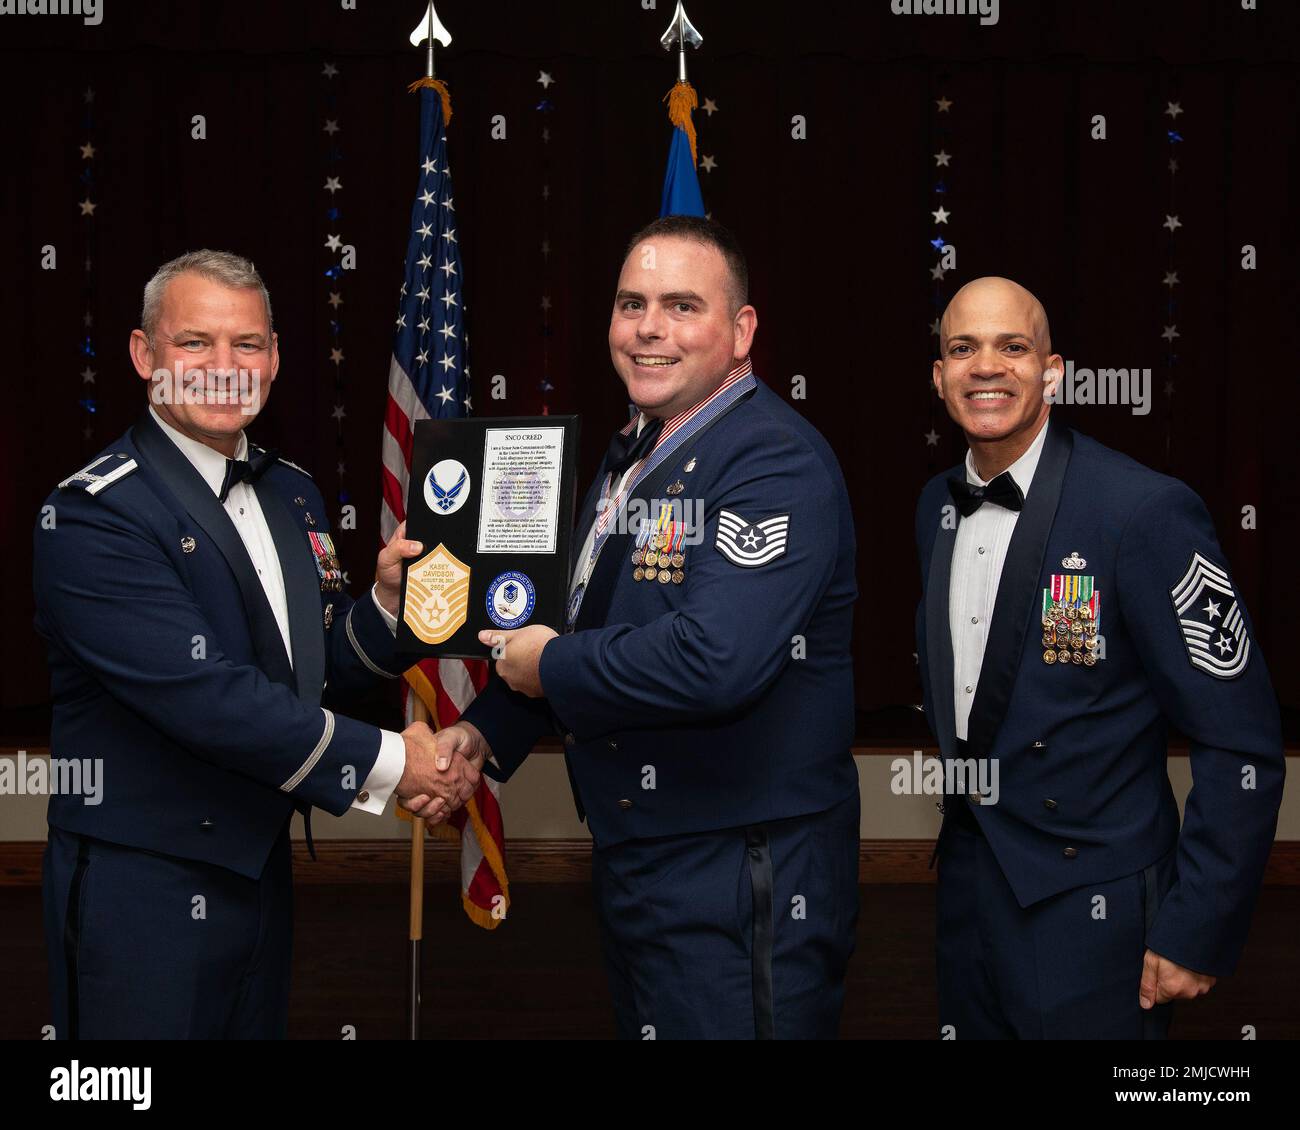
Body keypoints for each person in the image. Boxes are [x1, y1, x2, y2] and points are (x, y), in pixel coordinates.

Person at [417, 216, 860, 1039]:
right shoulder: (641, 449)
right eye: (632, 304)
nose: (649, 328)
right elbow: (589, 626)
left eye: (682, 305)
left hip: (740, 866)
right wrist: (481, 737)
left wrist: (549, 667)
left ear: (741, 330)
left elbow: (713, 659)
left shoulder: (772, 459)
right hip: (646, 856)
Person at [34, 249, 482, 1039]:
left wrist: (380, 606)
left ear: (274, 359)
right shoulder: (93, 515)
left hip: (261, 870)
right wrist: (398, 762)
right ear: (146, 357)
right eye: (194, 343)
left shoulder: (291, 490)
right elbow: (212, 703)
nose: (224, 366)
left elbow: (307, 672)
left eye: (247, 344)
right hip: (144, 888)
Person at [915, 276, 1284, 1039]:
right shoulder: (934, 507)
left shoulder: (1142, 512)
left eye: (1013, 347)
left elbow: (1240, 736)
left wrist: (1196, 926)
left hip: (1098, 914)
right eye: (963, 348)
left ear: (1052, 373)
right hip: (970, 899)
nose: (987, 366)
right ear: (940, 377)